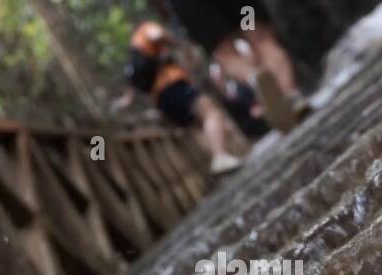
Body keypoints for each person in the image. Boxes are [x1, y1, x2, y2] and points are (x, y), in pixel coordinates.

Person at [153, 0, 305, 132]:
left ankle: (254, 76)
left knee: (225, 54)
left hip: (193, 6)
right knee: (261, 38)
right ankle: (292, 97)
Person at [120, 21, 242, 174]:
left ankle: (220, 158)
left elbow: (133, 87)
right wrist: (177, 43)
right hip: (172, 85)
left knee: (198, 123)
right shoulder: (146, 29)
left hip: (160, 99)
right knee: (210, 111)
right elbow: (158, 35)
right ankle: (220, 156)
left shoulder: (135, 50)